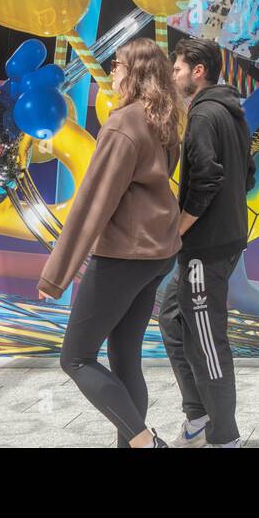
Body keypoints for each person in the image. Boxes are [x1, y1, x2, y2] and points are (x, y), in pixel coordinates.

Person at [38, 38, 184, 449]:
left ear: (134, 73)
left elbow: (91, 204)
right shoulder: (164, 119)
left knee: (76, 358)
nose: (113, 73)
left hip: (123, 255)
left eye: (117, 65)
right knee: (124, 359)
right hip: (156, 254)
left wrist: (55, 275)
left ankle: (143, 442)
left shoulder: (123, 125)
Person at [161, 37, 256, 448]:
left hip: (206, 249)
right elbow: (247, 174)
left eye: (178, 68)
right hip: (220, 242)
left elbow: (207, 179)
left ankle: (224, 438)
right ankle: (197, 417)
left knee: (206, 342)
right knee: (171, 318)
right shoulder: (231, 111)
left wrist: (177, 230)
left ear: (198, 71)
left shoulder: (203, 115)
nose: (173, 75)